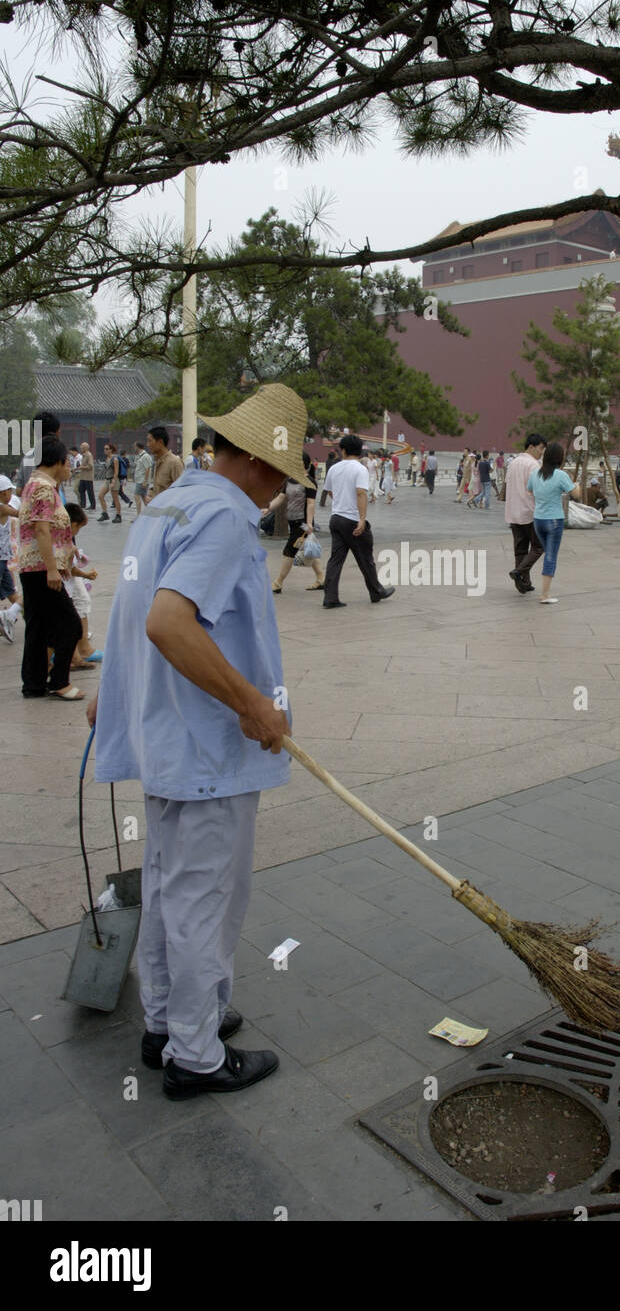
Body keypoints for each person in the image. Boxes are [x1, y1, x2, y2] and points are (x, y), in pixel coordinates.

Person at [88, 383, 305, 1099]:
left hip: (166, 738)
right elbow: (168, 623)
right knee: (205, 899)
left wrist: (115, 693)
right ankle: (196, 1056)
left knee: (169, 887)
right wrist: (253, 705)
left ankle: (169, 1023)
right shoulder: (221, 519)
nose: (278, 494)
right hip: (206, 747)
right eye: (282, 476)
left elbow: (130, 605)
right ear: (261, 466)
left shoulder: (170, 502)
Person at [17, 435, 84, 700]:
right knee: (70, 624)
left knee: (38, 627)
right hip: (41, 569)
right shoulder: (44, 487)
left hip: (32, 566)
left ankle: (33, 684)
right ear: (57, 461)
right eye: (66, 461)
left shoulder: (34, 483)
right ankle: (59, 681)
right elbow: (42, 531)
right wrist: (52, 569)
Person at [321, 434, 395, 608]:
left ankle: (330, 597)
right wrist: (362, 520)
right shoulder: (359, 469)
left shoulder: (334, 468)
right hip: (352, 519)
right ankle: (377, 591)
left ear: (344, 450)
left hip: (336, 518)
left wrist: (340, 501)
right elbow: (361, 493)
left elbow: (330, 492)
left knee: (335, 559)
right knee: (365, 557)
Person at [526, 442, 583, 603]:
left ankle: (545, 591)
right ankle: (545, 594)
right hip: (554, 520)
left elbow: (529, 490)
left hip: (538, 520)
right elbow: (576, 494)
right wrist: (576, 483)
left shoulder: (535, 474)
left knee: (547, 552)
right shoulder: (561, 475)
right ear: (559, 458)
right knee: (551, 555)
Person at [268, 452, 325, 593]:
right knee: (309, 551)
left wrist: (309, 523)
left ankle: (278, 583)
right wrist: (267, 509)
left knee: (289, 551)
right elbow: (281, 497)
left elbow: (310, 504)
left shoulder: (309, 482)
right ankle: (321, 579)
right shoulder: (289, 480)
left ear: (304, 464)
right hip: (292, 522)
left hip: (303, 524)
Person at [62, 503, 103, 669]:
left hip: (68, 586)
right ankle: (62, 660)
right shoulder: (62, 542)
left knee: (73, 616)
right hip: (63, 587)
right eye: (79, 528)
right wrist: (85, 575)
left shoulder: (66, 540)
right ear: (72, 525)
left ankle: (76, 654)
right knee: (67, 622)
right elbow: (68, 569)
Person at [505, 433, 546, 593]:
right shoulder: (533, 465)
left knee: (520, 550)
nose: (542, 452)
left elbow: (507, 485)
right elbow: (539, 490)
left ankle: (523, 583)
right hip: (530, 512)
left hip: (513, 512)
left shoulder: (513, 462)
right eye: (541, 448)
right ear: (531, 446)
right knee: (538, 546)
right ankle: (519, 572)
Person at [15, 411, 61, 495]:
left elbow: (18, 490)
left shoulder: (27, 456)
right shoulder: (58, 455)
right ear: (57, 432)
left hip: (29, 506)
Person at [0, 474, 22, 643]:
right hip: (0, 559)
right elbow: (21, 514)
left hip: (4, 559)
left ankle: (9, 615)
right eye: (9, 492)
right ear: (3, 493)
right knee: (12, 592)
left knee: (13, 593)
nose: (10, 496)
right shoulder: (2, 508)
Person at [146, 427, 184, 499]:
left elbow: (180, 491)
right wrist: (151, 494)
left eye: (150, 441)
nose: (148, 444)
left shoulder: (174, 462)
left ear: (160, 442)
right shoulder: (158, 461)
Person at [97, 443, 123, 524]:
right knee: (100, 495)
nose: (105, 450)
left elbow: (116, 471)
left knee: (115, 498)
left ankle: (118, 515)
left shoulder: (114, 459)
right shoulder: (107, 458)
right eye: (104, 449)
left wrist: (113, 482)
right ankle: (104, 513)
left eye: (107, 449)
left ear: (111, 450)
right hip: (107, 479)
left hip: (114, 480)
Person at [132, 441, 153, 517]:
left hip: (142, 480)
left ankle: (139, 516)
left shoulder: (145, 456)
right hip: (140, 480)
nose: (134, 448)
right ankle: (151, 514)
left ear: (137, 447)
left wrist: (145, 481)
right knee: (144, 497)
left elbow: (148, 468)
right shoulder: (139, 456)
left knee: (136, 496)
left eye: (134, 446)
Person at [76, 442, 95, 510]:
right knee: (80, 490)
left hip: (88, 477)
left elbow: (90, 466)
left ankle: (93, 505)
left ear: (85, 448)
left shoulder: (89, 455)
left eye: (82, 447)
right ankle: (82, 504)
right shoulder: (84, 455)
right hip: (83, 476)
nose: (81, 448)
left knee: (90, 492)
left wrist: (81, 467)